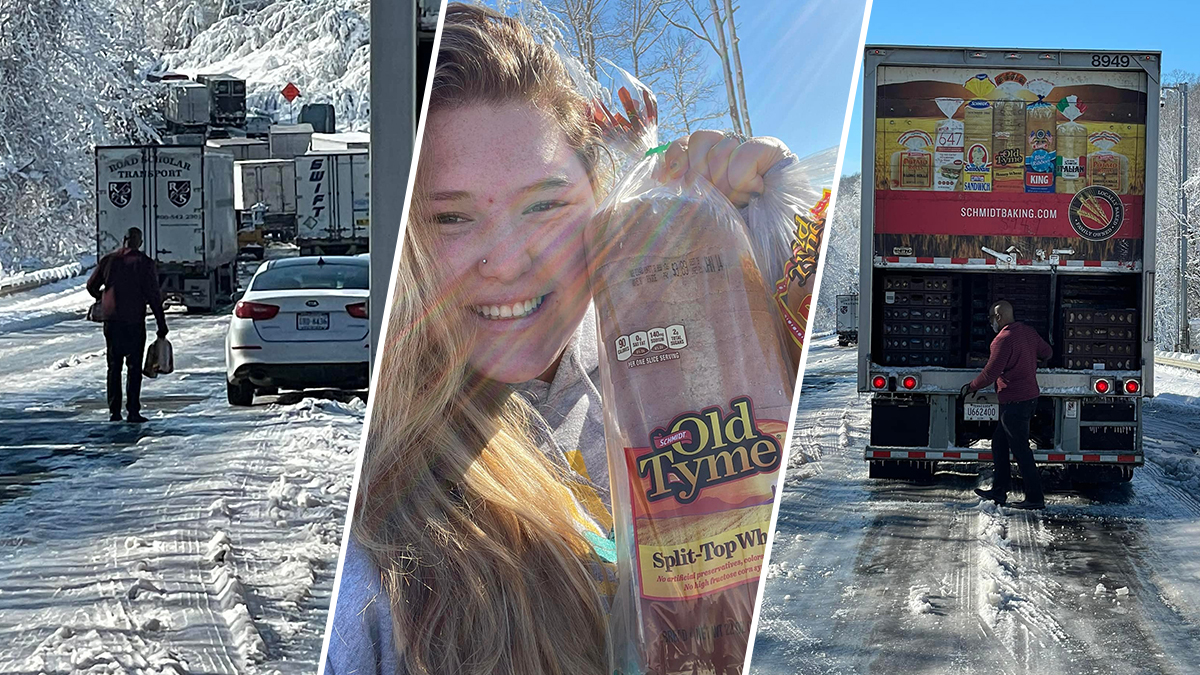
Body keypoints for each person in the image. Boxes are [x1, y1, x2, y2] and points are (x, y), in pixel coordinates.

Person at [325, 5, 794, 674]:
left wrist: (760, 290)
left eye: (544, 205)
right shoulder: (372, 546)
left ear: (601, 200)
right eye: (451, 217)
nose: (507, 262)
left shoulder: (657, 367)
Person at [963, 300, 1052, 510]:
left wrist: (971, 387)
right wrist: (1031, 360)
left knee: (1021, 450)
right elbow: (1047, 352)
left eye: (991, 318)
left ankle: (1035, 498)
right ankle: (999, 490)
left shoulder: (1002, 340)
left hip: (1014, 402)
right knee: (999, 443)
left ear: (998, 317)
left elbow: (990, 373)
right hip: (1028, 398)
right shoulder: (1029, 333)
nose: (990, 323)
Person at [87, 227, 168, 423]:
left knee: (113, 367)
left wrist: (104, 298)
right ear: (139, 243)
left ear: (124, 240)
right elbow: (153, 295)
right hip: (134, 321)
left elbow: (91, 286)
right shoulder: (144, 263)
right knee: (134, 367)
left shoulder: (108, 260)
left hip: (112, 320)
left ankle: (114, 412)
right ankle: (132, 411)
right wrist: (161, 324)